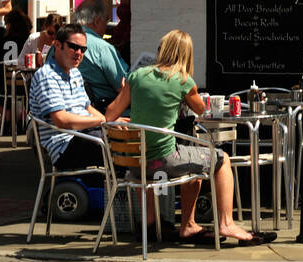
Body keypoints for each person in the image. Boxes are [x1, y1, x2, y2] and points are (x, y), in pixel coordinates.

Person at [105, 29, 276, 245]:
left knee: (192, 166)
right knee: (221, 159)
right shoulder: (184, 81)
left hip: (135, 164)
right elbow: (201, 110)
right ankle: (226, 223)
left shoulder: (137, 76)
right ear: (186, 54)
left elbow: (110, 115)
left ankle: (152, 226)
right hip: (164, 160)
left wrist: (125, 122)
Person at [28, 24, 106, 175]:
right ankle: (120, 191)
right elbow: (61, 120)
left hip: (83, 135)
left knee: (123, 136)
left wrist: (109, 122)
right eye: (73, 47)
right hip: (63, 146)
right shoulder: (47, 76)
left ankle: (120, 189)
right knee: (110, 143)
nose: (79, 53)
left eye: (83, 49)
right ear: (57, 45)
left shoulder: (75, 73)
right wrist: (102, 121)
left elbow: (87, 108)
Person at [47, 0, 128, 111]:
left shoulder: (55, 47)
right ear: (96, 21)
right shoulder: (102, 48)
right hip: (104, 115)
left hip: (69, 112)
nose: (79, 53)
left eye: (82, 49)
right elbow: (123, 86)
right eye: (106, 19)